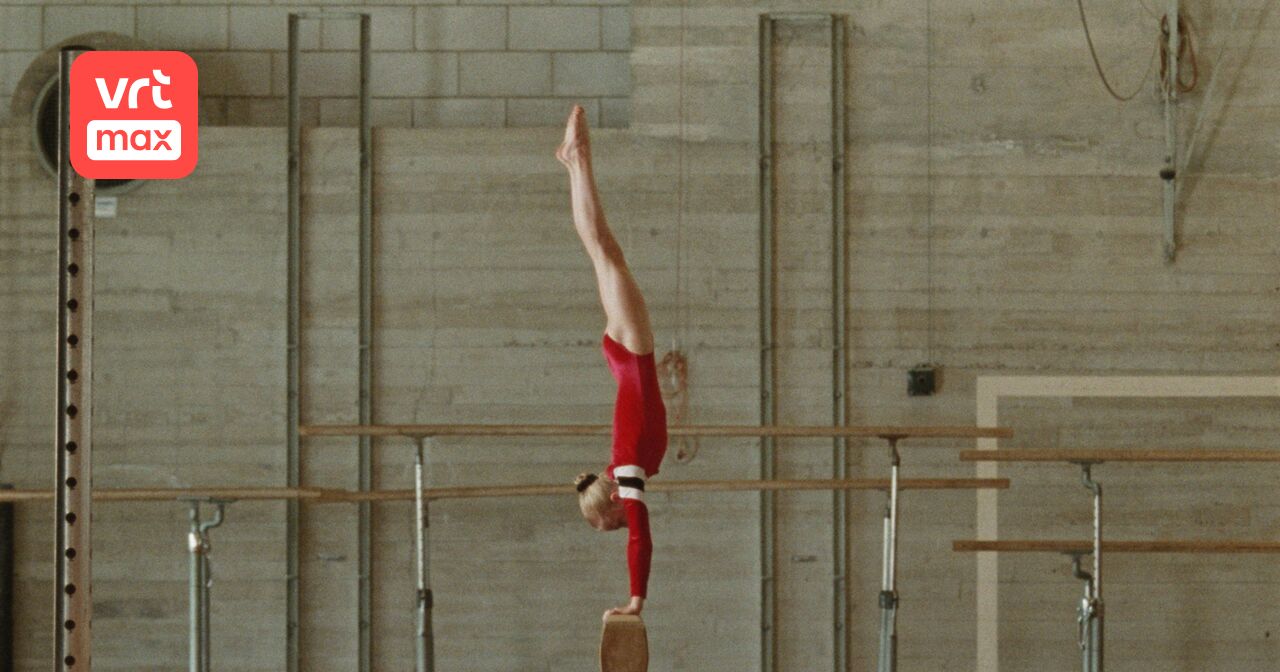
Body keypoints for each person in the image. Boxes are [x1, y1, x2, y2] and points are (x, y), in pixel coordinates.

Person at [556, 105, 668, 621]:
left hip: (632, 351)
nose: (625, 526)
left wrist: (636, 602)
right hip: (624, 356)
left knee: (603, 249)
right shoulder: (625, 468)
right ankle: (576, 163)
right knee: (599, 250)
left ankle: (580, 161)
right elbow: (636, 531)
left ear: (613, 504)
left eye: (614, 523)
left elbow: (641, 539)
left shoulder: (627, 472)